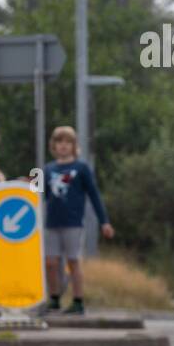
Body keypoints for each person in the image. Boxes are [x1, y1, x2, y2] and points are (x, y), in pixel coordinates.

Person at [43, 125, 115, 315]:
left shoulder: (81, 168)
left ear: (74, 146)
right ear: (54, 146)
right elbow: (37, 194)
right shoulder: (48, 169)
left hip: (73, 223)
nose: (64, 146)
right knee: (50, 262)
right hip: (52, 223)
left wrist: (104, 221)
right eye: (60, 142)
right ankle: (54, 298)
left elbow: (94, 195)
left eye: (68, 142)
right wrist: (23, 185)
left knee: (73, 261)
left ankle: (78, 300)